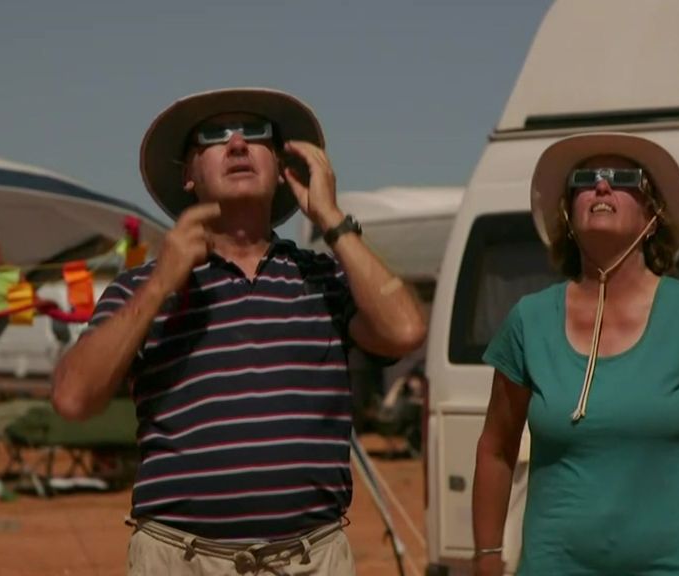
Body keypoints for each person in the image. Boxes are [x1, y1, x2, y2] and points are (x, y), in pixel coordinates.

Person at [51, 88, 427, 575]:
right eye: (214, 136)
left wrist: (332, 219)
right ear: (188, 174)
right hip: (179, 560)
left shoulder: (325, 277)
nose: (236, 144)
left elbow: (405, 331)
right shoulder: (140, 288)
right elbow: (73, 399)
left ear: (282, 166)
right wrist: (163, 280)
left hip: (309, 560)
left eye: (255, 133)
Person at [472, 133, 679, 575]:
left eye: (623, 179)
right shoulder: (529, 320)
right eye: (585, 180)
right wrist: (487, 556)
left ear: (653, 216)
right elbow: (496, 447)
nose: (601, 186)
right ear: (567, 213)